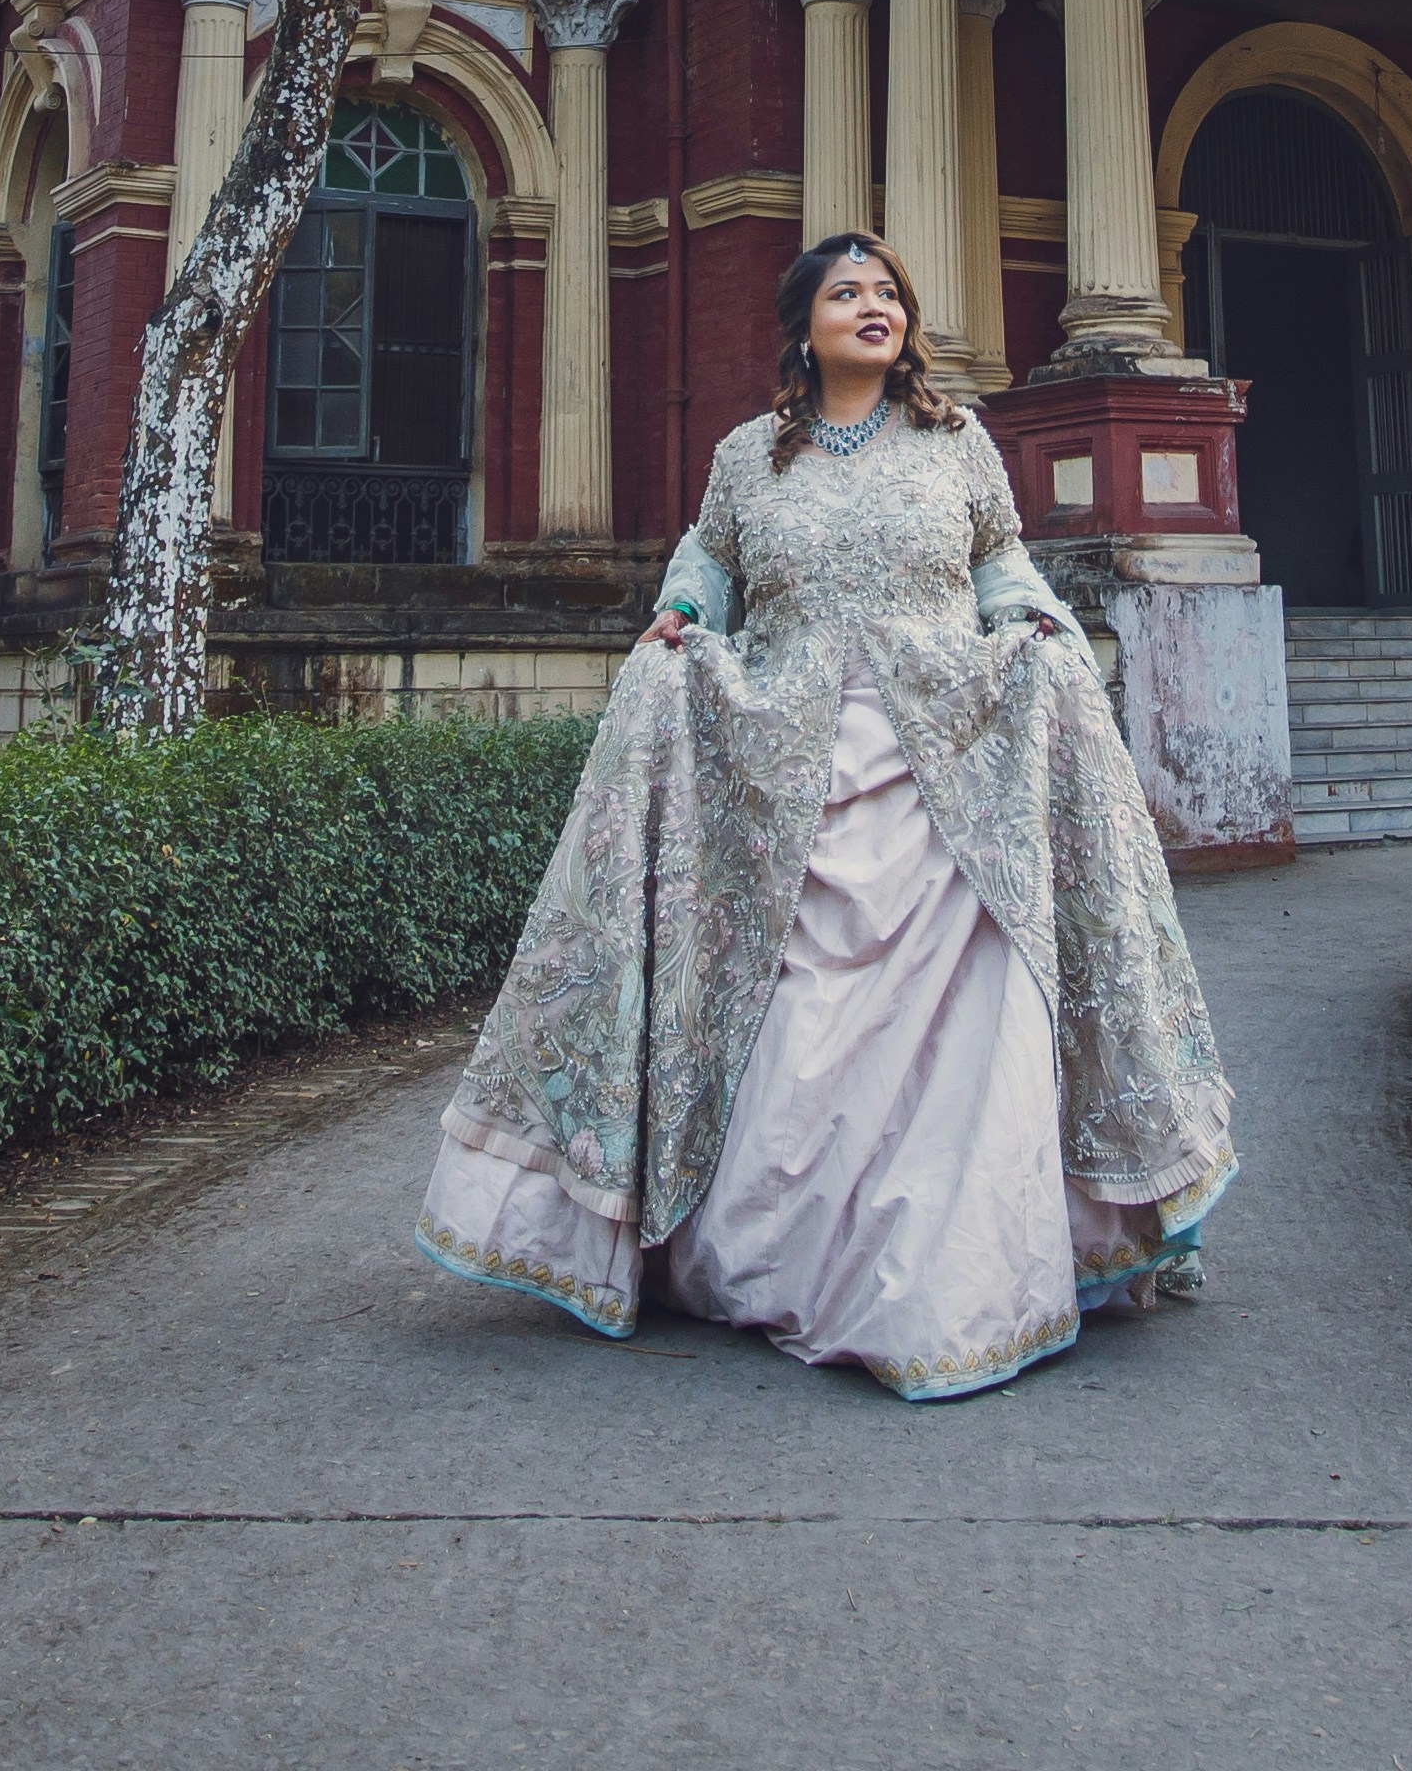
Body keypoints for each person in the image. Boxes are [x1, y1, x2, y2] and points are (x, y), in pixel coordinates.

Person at [417, 232, 1238, 1399]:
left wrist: (1038, 622)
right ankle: (785, 1256)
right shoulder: (749, 457)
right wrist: (678, 614)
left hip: (948, 773)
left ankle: (947, 1270)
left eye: (888, 291)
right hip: (786, 774)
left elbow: (1000, 564)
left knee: (961, 1025)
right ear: (804, 326)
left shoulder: (959, 444)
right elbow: (710, 565)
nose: (873, 305)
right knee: (801, 1015)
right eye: (847, 292)